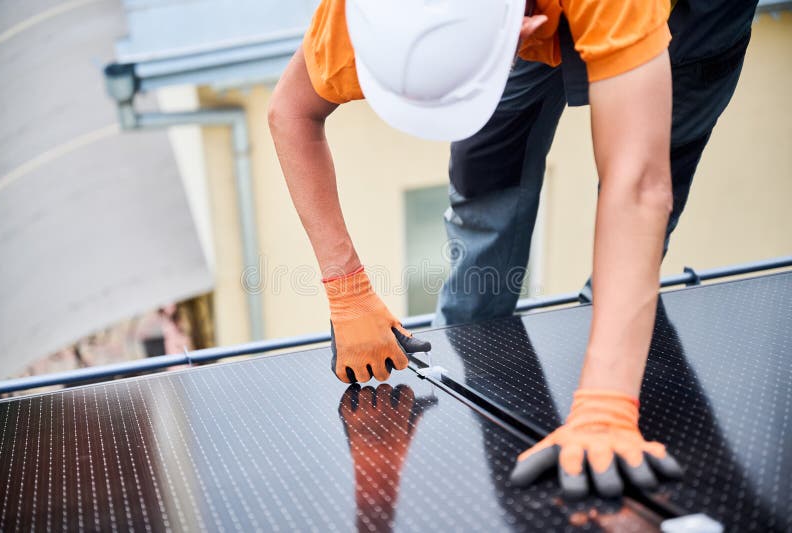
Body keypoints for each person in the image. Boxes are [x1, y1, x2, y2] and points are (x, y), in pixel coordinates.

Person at [267, 0, 744, 497]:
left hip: (690, 18)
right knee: (487, 183)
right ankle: (468, 357)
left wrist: (605, 404)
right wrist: (348, 292)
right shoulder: (369, 14)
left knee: (651, 161)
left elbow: (639, 185)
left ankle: (613, 342)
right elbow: (290, 111)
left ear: (527, 27)